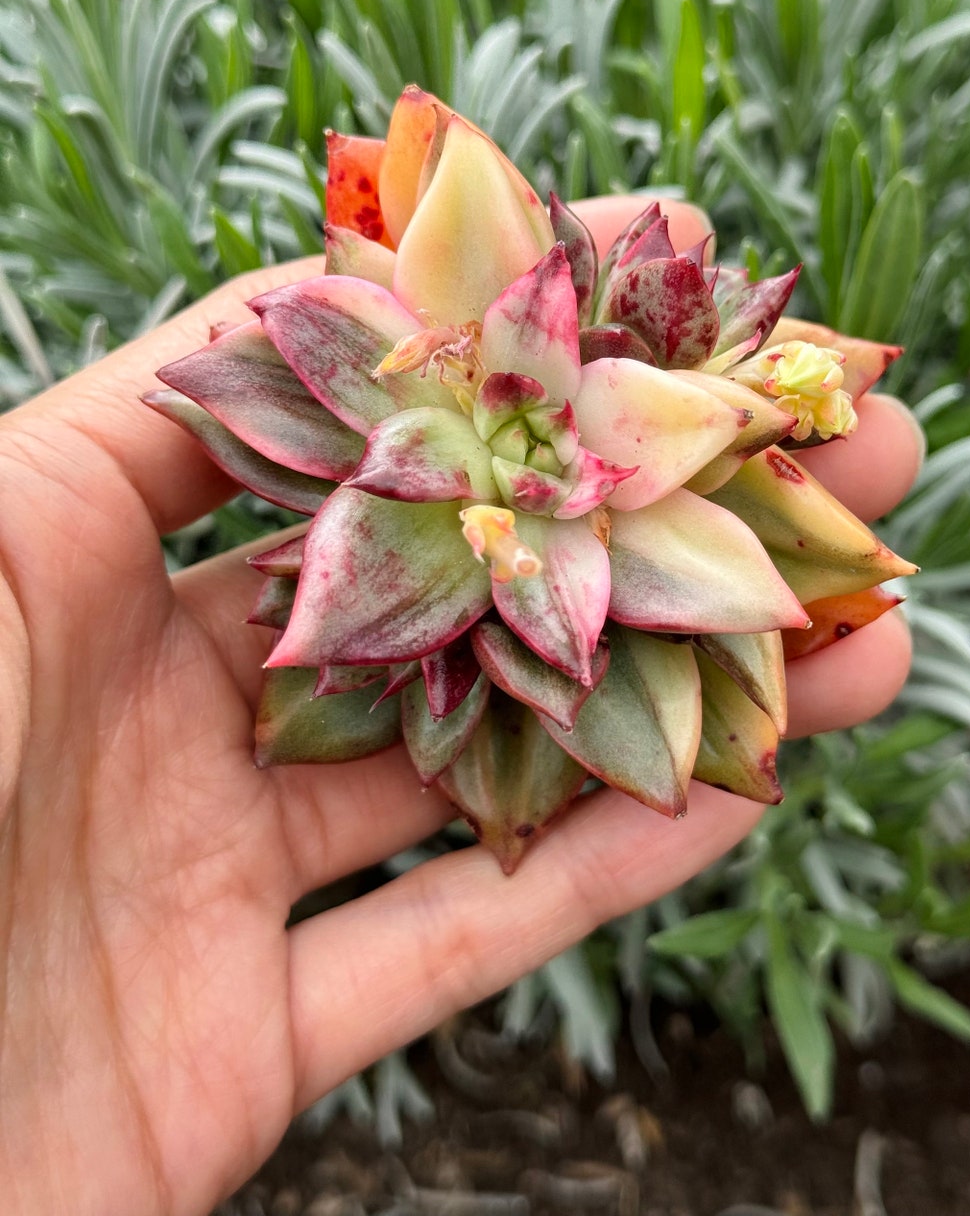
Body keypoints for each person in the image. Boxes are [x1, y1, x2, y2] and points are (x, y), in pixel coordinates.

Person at [0, 206, 923, 1215]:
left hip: (597, 555)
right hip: (481, 543)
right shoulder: (424, 399)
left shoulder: (662, 449)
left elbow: (696, 464)